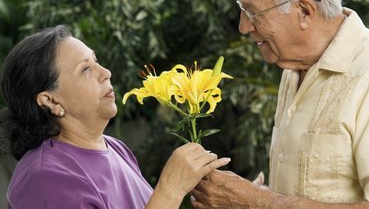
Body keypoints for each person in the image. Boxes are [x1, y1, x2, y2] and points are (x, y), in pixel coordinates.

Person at [191, 0, 369, 208]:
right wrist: (242, 198)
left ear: (304, 11)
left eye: (253, 12)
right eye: (241, 8)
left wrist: (255, 201)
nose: (244, 26)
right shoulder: (294, 65)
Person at [0, 25, 231, 209]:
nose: (106, 73)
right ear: (50, 101)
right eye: (85, 69)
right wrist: (170, 189)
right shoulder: (44, 179)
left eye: (96, 61)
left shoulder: (115, 148)